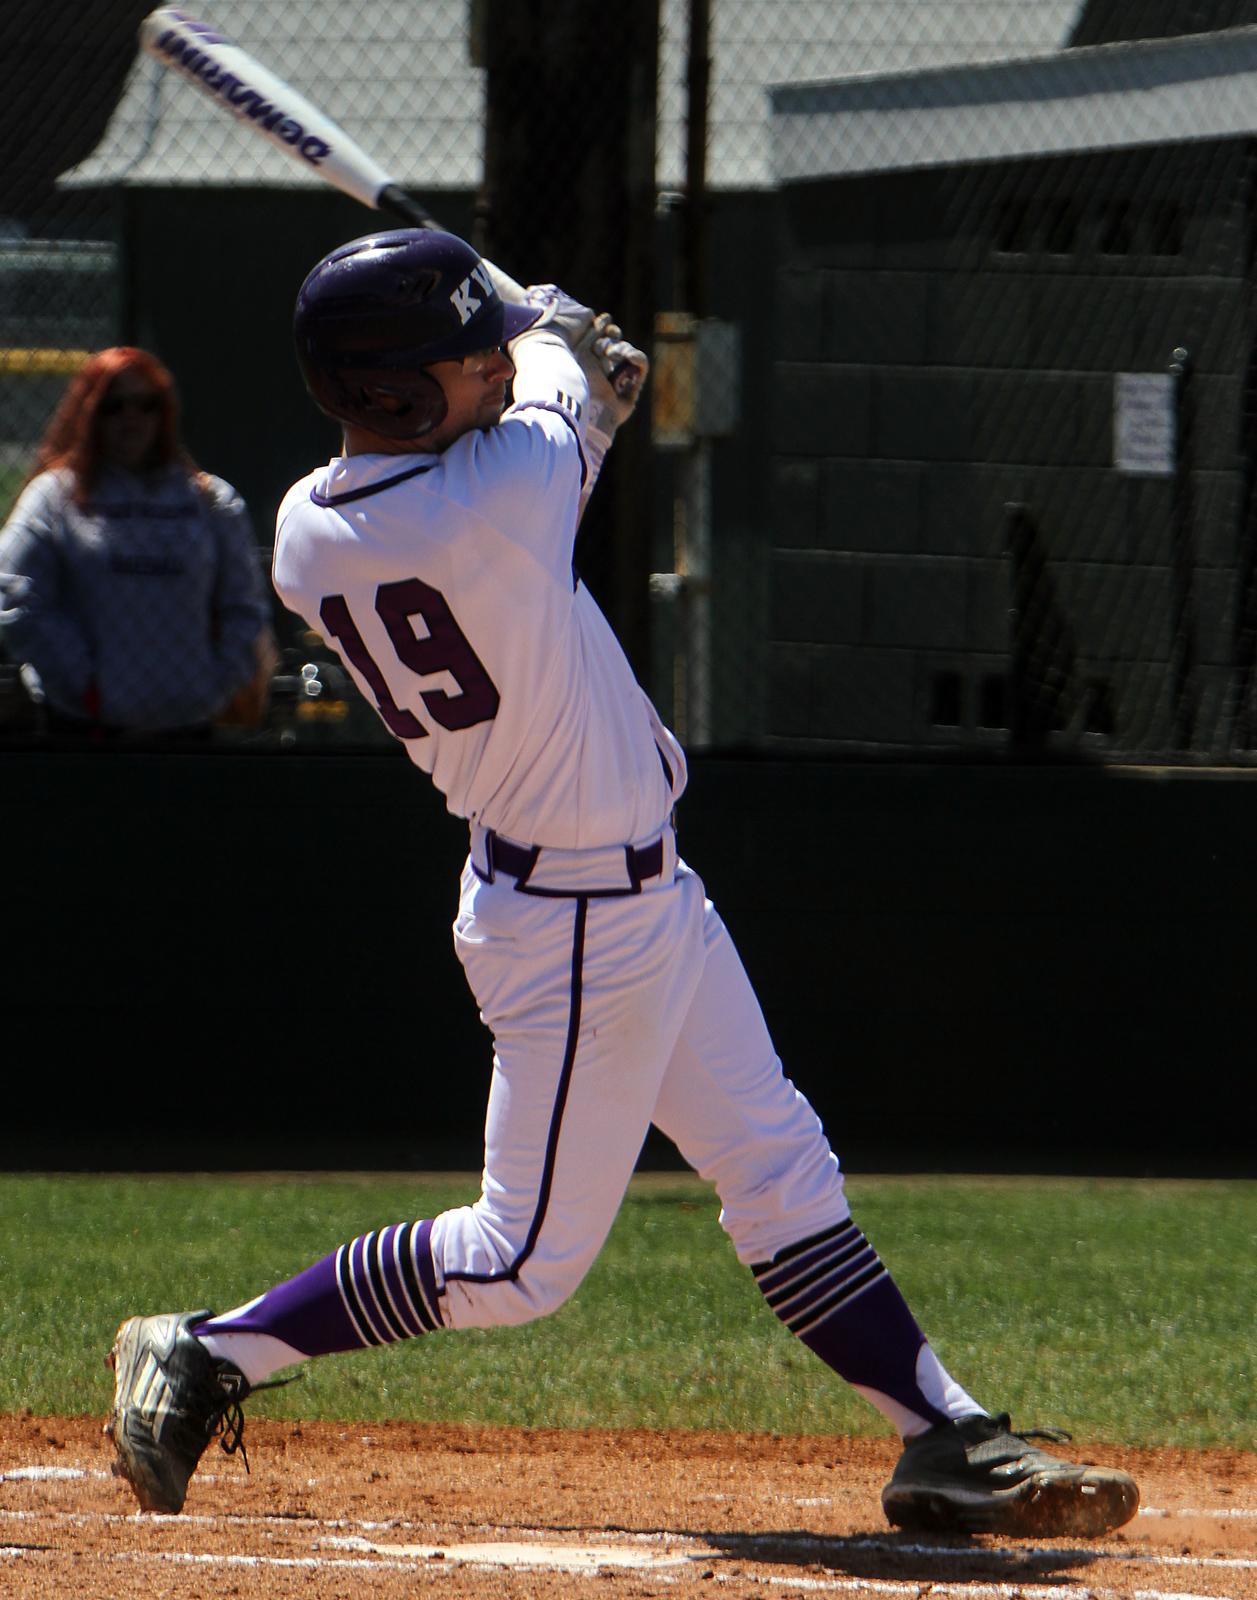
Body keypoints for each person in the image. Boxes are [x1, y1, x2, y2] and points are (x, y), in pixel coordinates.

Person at [103, 229, 1139, 1537]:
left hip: (628, 893)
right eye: (456, 360)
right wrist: (551, 331)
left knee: (779, 1168)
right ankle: (205, 1354)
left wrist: (532, 341)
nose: (481, 371)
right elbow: (569, 384)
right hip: (576, 914)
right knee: (520, 1261)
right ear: (398, 391)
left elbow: (555, 385)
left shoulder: (308, 533)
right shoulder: (496, 494)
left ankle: (942, 1434)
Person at [0, 347, 272, 740]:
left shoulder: (210, 500)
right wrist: (82, 683)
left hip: (187, 728)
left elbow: (245, 610)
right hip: (82, 727)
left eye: (146, 405)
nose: (131, 418)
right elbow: (13, 593)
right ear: (90, 411)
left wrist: (213, 688)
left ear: (165, 413)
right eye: (115, 406)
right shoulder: (55, 497)